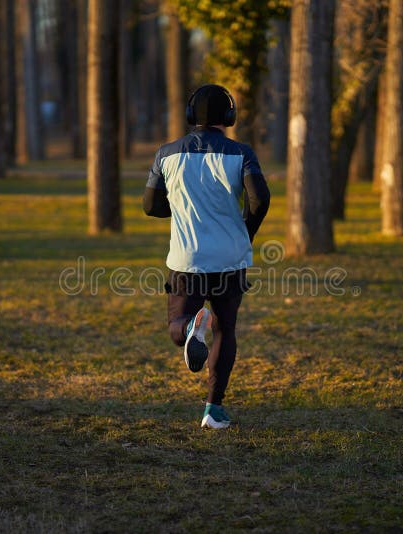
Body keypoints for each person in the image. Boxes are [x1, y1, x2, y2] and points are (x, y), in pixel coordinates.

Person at [143, 84, 270, 429]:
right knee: (225, 329)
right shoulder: (242, 153)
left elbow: (151, 206)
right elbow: (260, 199)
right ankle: (213, 409)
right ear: (229, 116)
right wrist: (245, 231)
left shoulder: (166, 154)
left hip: (187, 259)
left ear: (190, 115)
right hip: (231, 258)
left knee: (176, 326)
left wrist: (182, 206)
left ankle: (189, 329)